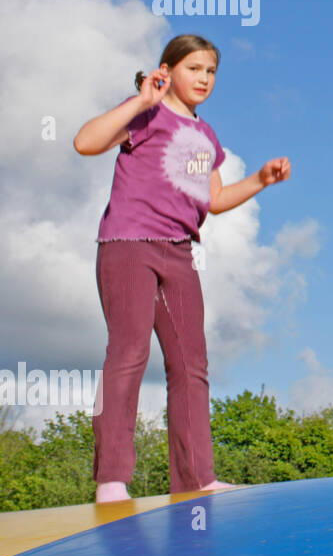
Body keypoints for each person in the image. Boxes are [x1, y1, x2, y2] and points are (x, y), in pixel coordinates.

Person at [74, 34, 291, 503]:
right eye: (194, 68)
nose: (204, 79)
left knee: (191, 365)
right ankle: (111, 479)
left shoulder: (206, 137)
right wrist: (139, 100)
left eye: (211, 71)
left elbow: (213, 200)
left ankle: (196, 478)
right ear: (167, 70)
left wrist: (259, 180)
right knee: (128, 354)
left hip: (180, 253)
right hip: (129, 245)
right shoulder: (146, 113)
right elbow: (84, 142)